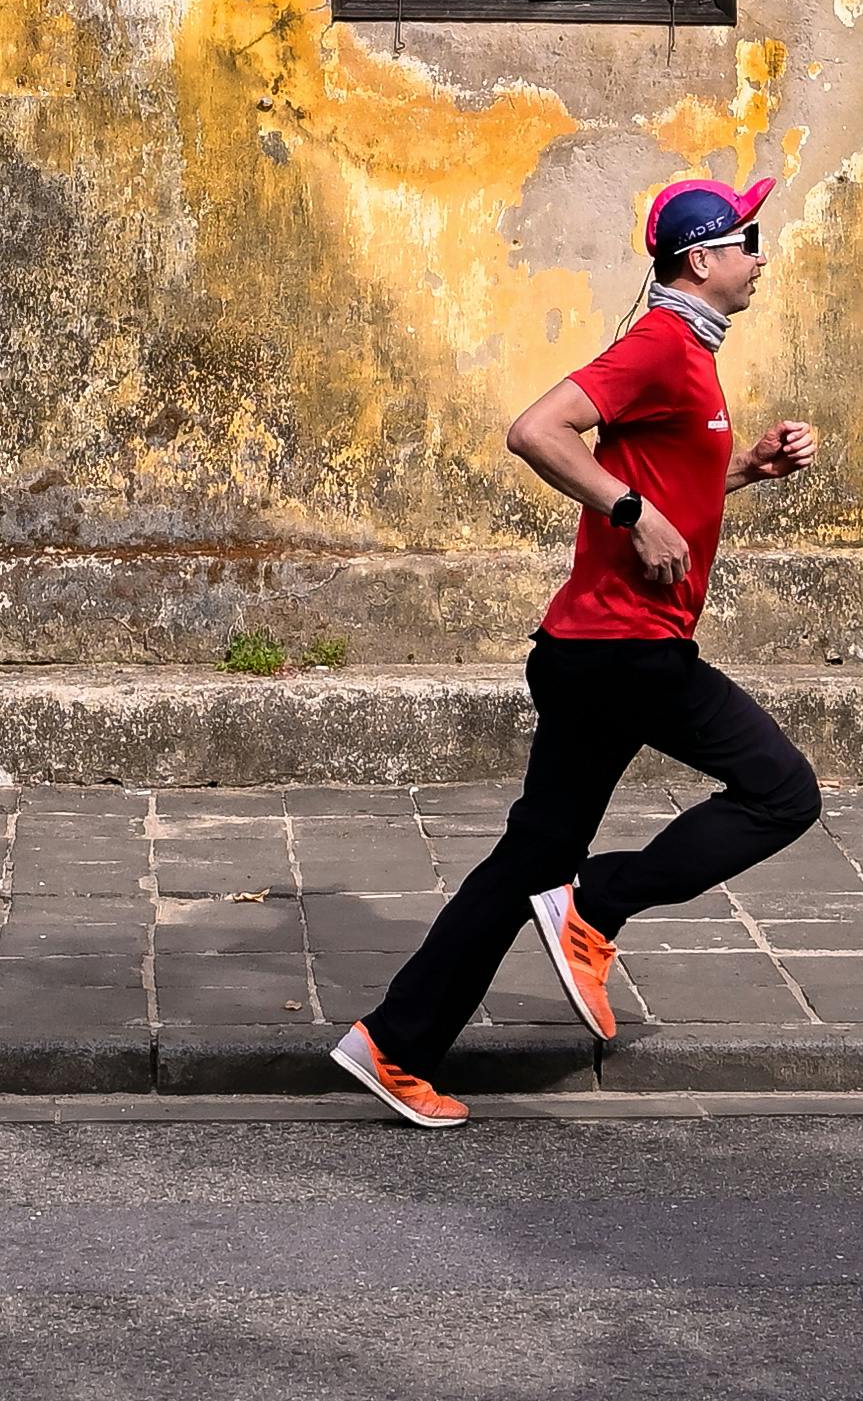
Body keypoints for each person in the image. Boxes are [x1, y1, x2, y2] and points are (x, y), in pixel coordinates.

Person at [330, 176, 825, 1128]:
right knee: (781, 792)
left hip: (590, 648)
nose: (762, 257)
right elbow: (535, 430)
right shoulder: (659, 344)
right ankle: (597, 903)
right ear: (701, 259)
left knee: (529, 854)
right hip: (625, 653)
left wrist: (744, 470)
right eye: (748, 240)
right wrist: (631, 514)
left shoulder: (689, 353)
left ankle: (392, 1045)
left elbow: (657, 472)